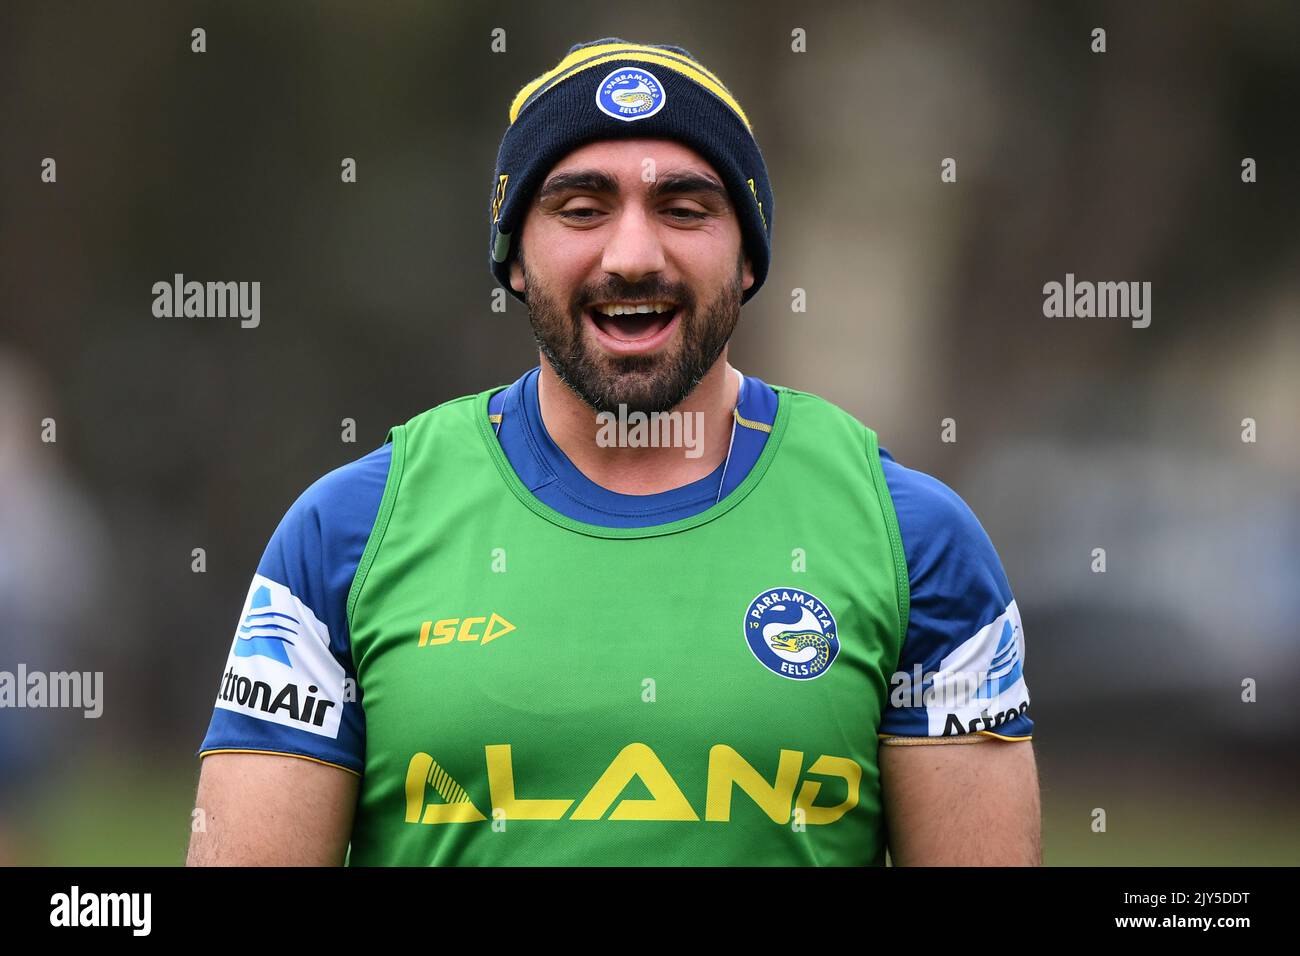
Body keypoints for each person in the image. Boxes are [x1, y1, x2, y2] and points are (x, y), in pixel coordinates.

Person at [187, 38, 1039, 866]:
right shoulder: (345, 535)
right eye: (581, 209)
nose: (633, 256)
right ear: (514, 256)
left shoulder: (914, 542)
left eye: (686, 208)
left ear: (748, 259)